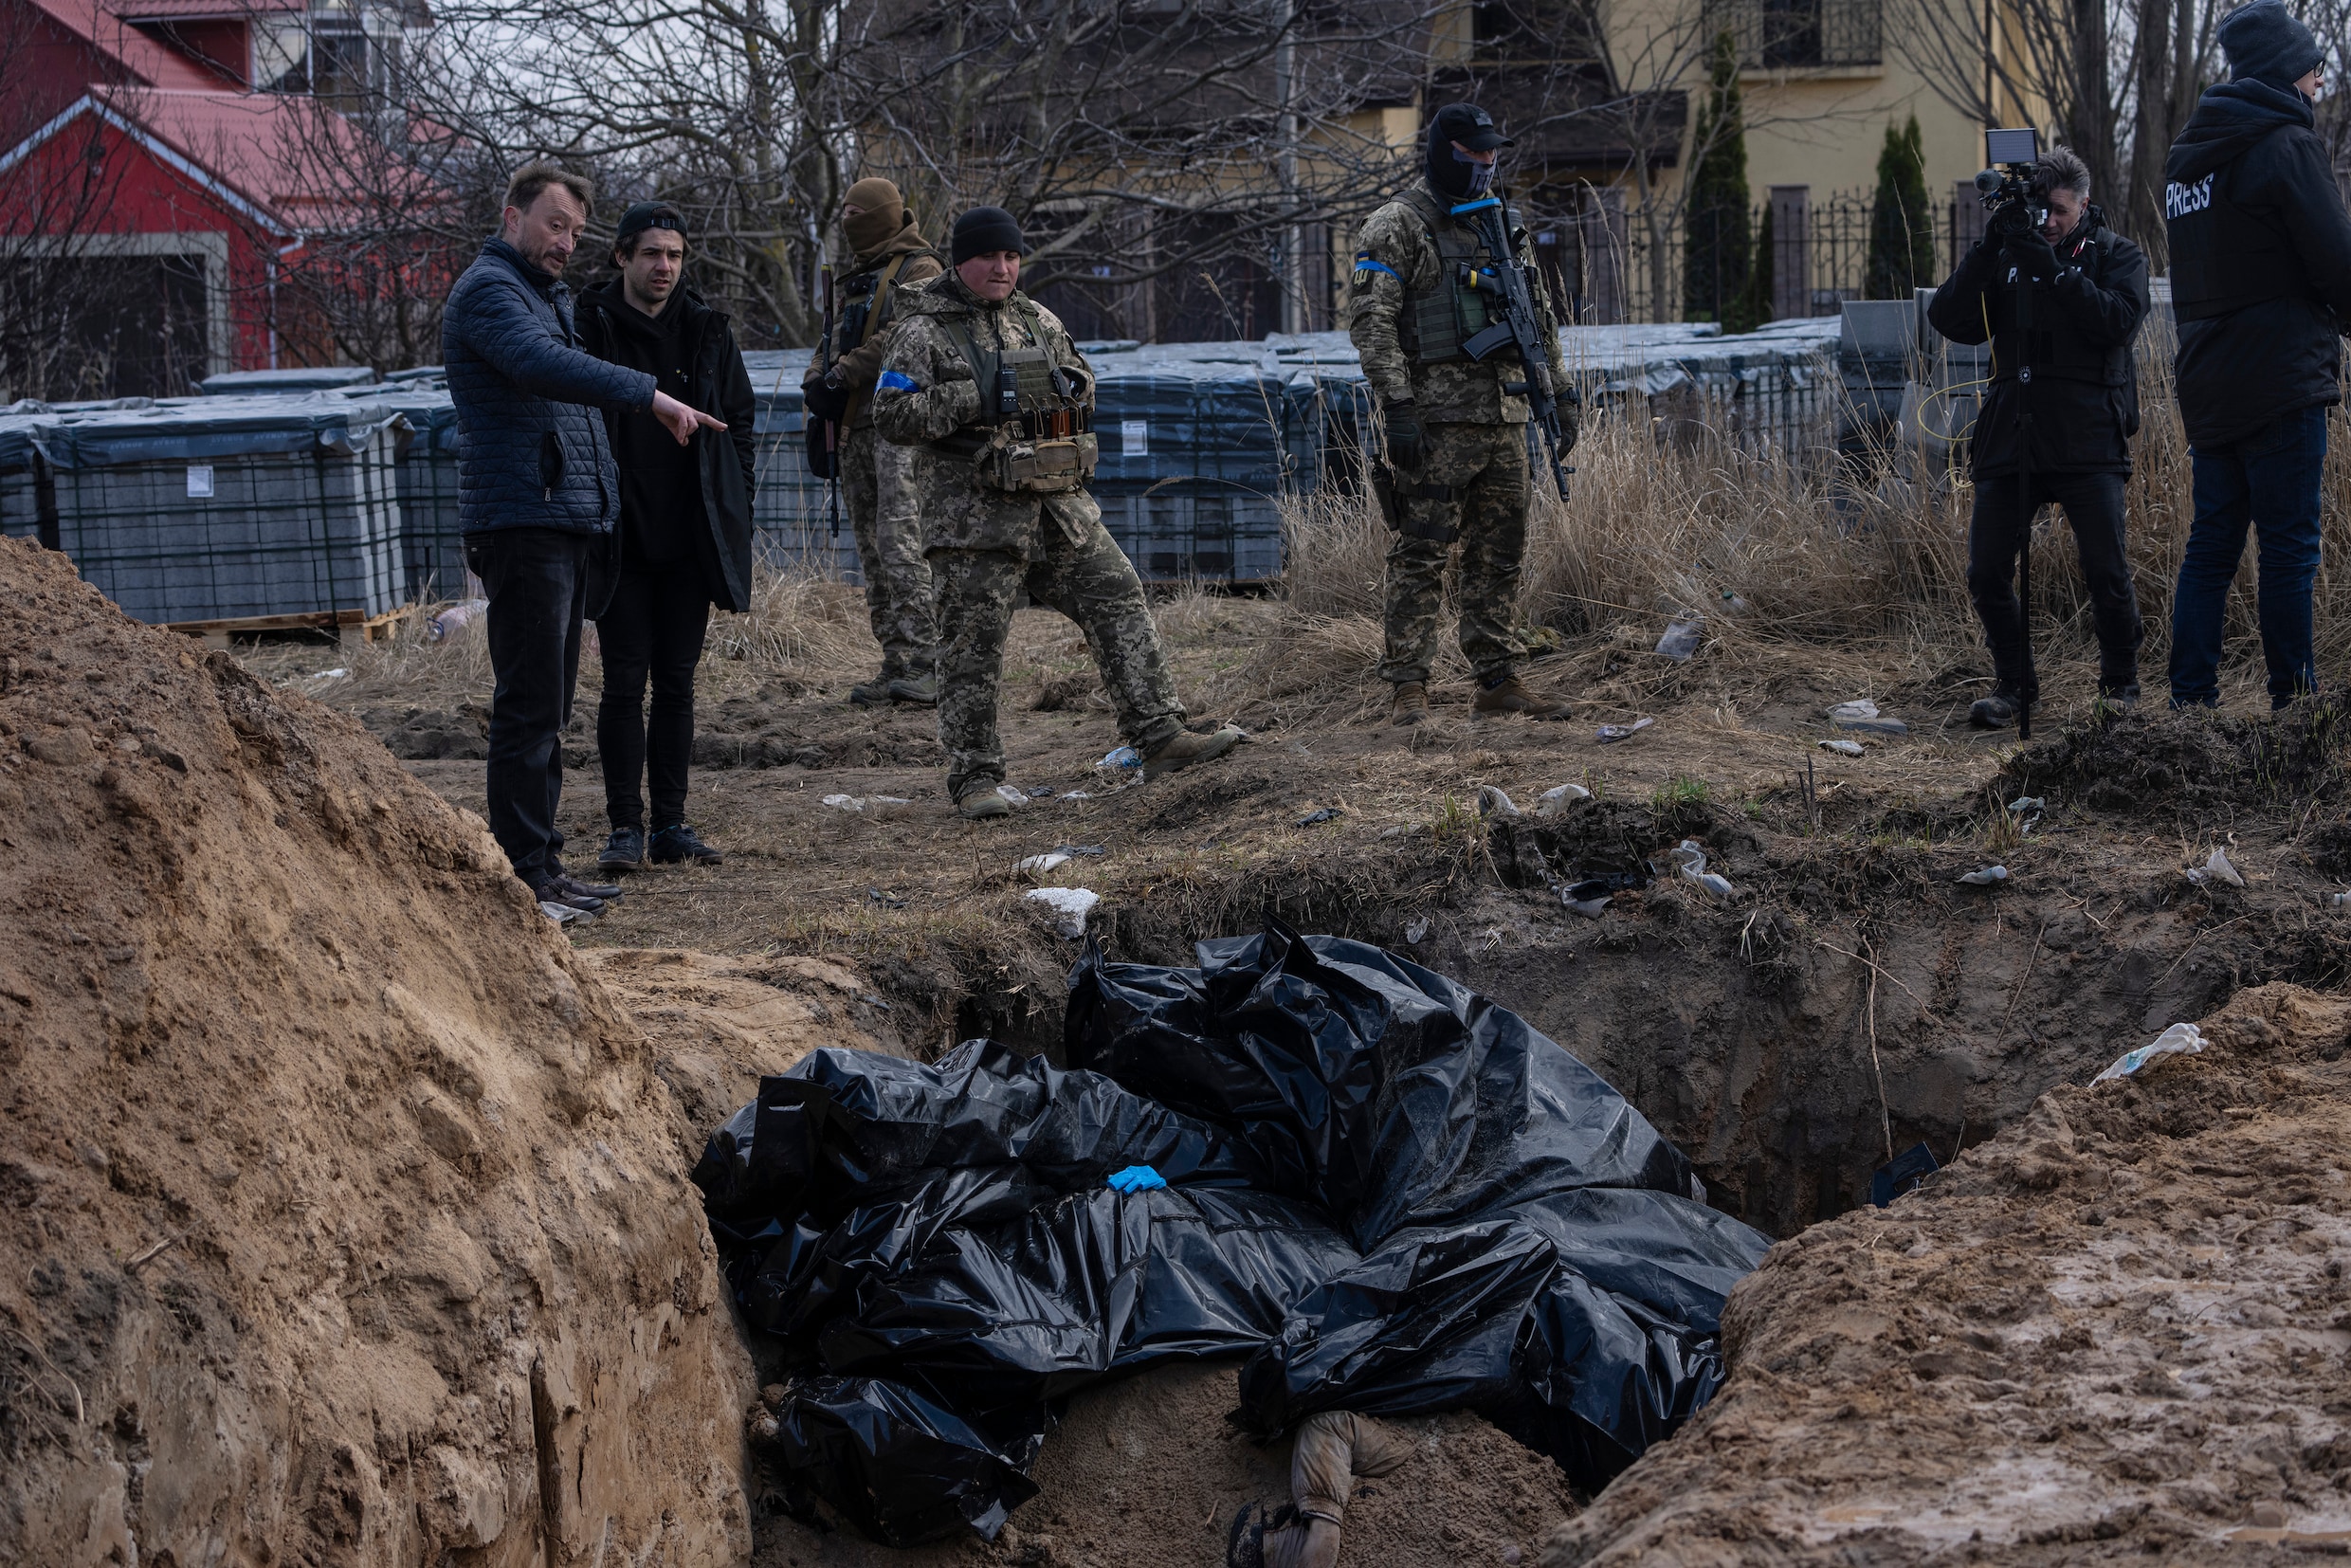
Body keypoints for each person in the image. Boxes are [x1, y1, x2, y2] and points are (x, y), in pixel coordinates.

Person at [871, 206, 1242, 819]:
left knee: (1117, 594)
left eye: (1012, 256)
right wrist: (976, 395)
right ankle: (975, 778)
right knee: (972, 646)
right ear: (960, 261)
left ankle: (1159, 735)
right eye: (989, 257)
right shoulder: (921, 332)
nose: (1002, 268)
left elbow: (1083, 381)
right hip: (972, 521)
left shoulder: (1037, 318)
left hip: (1057, 507)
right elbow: (891, 417)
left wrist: (1067, 387)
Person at [443, 163, 725, 920]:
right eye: (554, 224)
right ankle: (525, 879)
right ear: (513, 217)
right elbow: (541, 366)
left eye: (575, 231)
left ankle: (545, 867)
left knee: (550, 708)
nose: (566, 243)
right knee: (529, 708)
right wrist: (649, 393)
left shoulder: (540, 294)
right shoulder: (490, 290)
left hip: (558, 521)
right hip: (523, 524)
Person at [1346, 102, 1576, 725]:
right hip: (1435, 423)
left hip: (1506, 414)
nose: (1485, 163)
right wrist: (1397, 406)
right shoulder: (1396, 224)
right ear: (1443, 152)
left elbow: (1538, 315)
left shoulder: (1501, 223)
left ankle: (1497, 679)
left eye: (1491, 152)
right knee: (1421, 553)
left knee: (1499, 553)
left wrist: (1561, 393)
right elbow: (1372, 324)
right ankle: (1408, 686)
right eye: (1473, 153)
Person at [2163, 0, 2351, 710]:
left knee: (2211, 545)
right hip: (2281, 378)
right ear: (2285, 70)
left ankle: (2189, 705)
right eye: (2314, 68)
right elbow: (2337, 262)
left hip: (2209, 382)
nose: (2319, 82)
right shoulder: (2287, 145)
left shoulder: (2187, 164)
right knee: (2291, 549)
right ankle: (2295, 710)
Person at [1926, 144, 2149, 728]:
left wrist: (2051, 270)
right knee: (1986, 571)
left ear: (2084, 204)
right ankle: (2014, 685)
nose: (2046, 222)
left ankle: (2120, 687)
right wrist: (1990, 247)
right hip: (2011, 432)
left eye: (2058, 211)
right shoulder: (2007, 255)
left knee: (2106, 569)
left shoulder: (2115, 254)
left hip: (2087, 435)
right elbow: (1949, 319)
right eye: (2038, 210)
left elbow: (2117, 321)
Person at [575, 201, 757, 874]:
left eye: (675, 255)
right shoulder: (589, 325)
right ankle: (625, 827)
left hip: (689, 537)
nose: (664, 266)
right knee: (624, 684)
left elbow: (740, 422)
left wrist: (735, 502)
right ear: (621, 256)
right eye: (651, 253)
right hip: (618, 535)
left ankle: (671, 826)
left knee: (677, 684)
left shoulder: (707, 329)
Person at [803, 178, 945, 706]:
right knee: (871, 548)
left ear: (884, 214)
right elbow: (832, 336)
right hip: (855, 429)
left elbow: (902, 335)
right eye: (843, 212)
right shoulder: (858, 276)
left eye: (857, 213)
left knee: (901, 542)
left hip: (898, 428)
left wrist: (843, 373)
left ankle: (930, 662)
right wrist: (816, 379)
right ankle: (896, 661)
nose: (847, 222)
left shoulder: (920, 269)